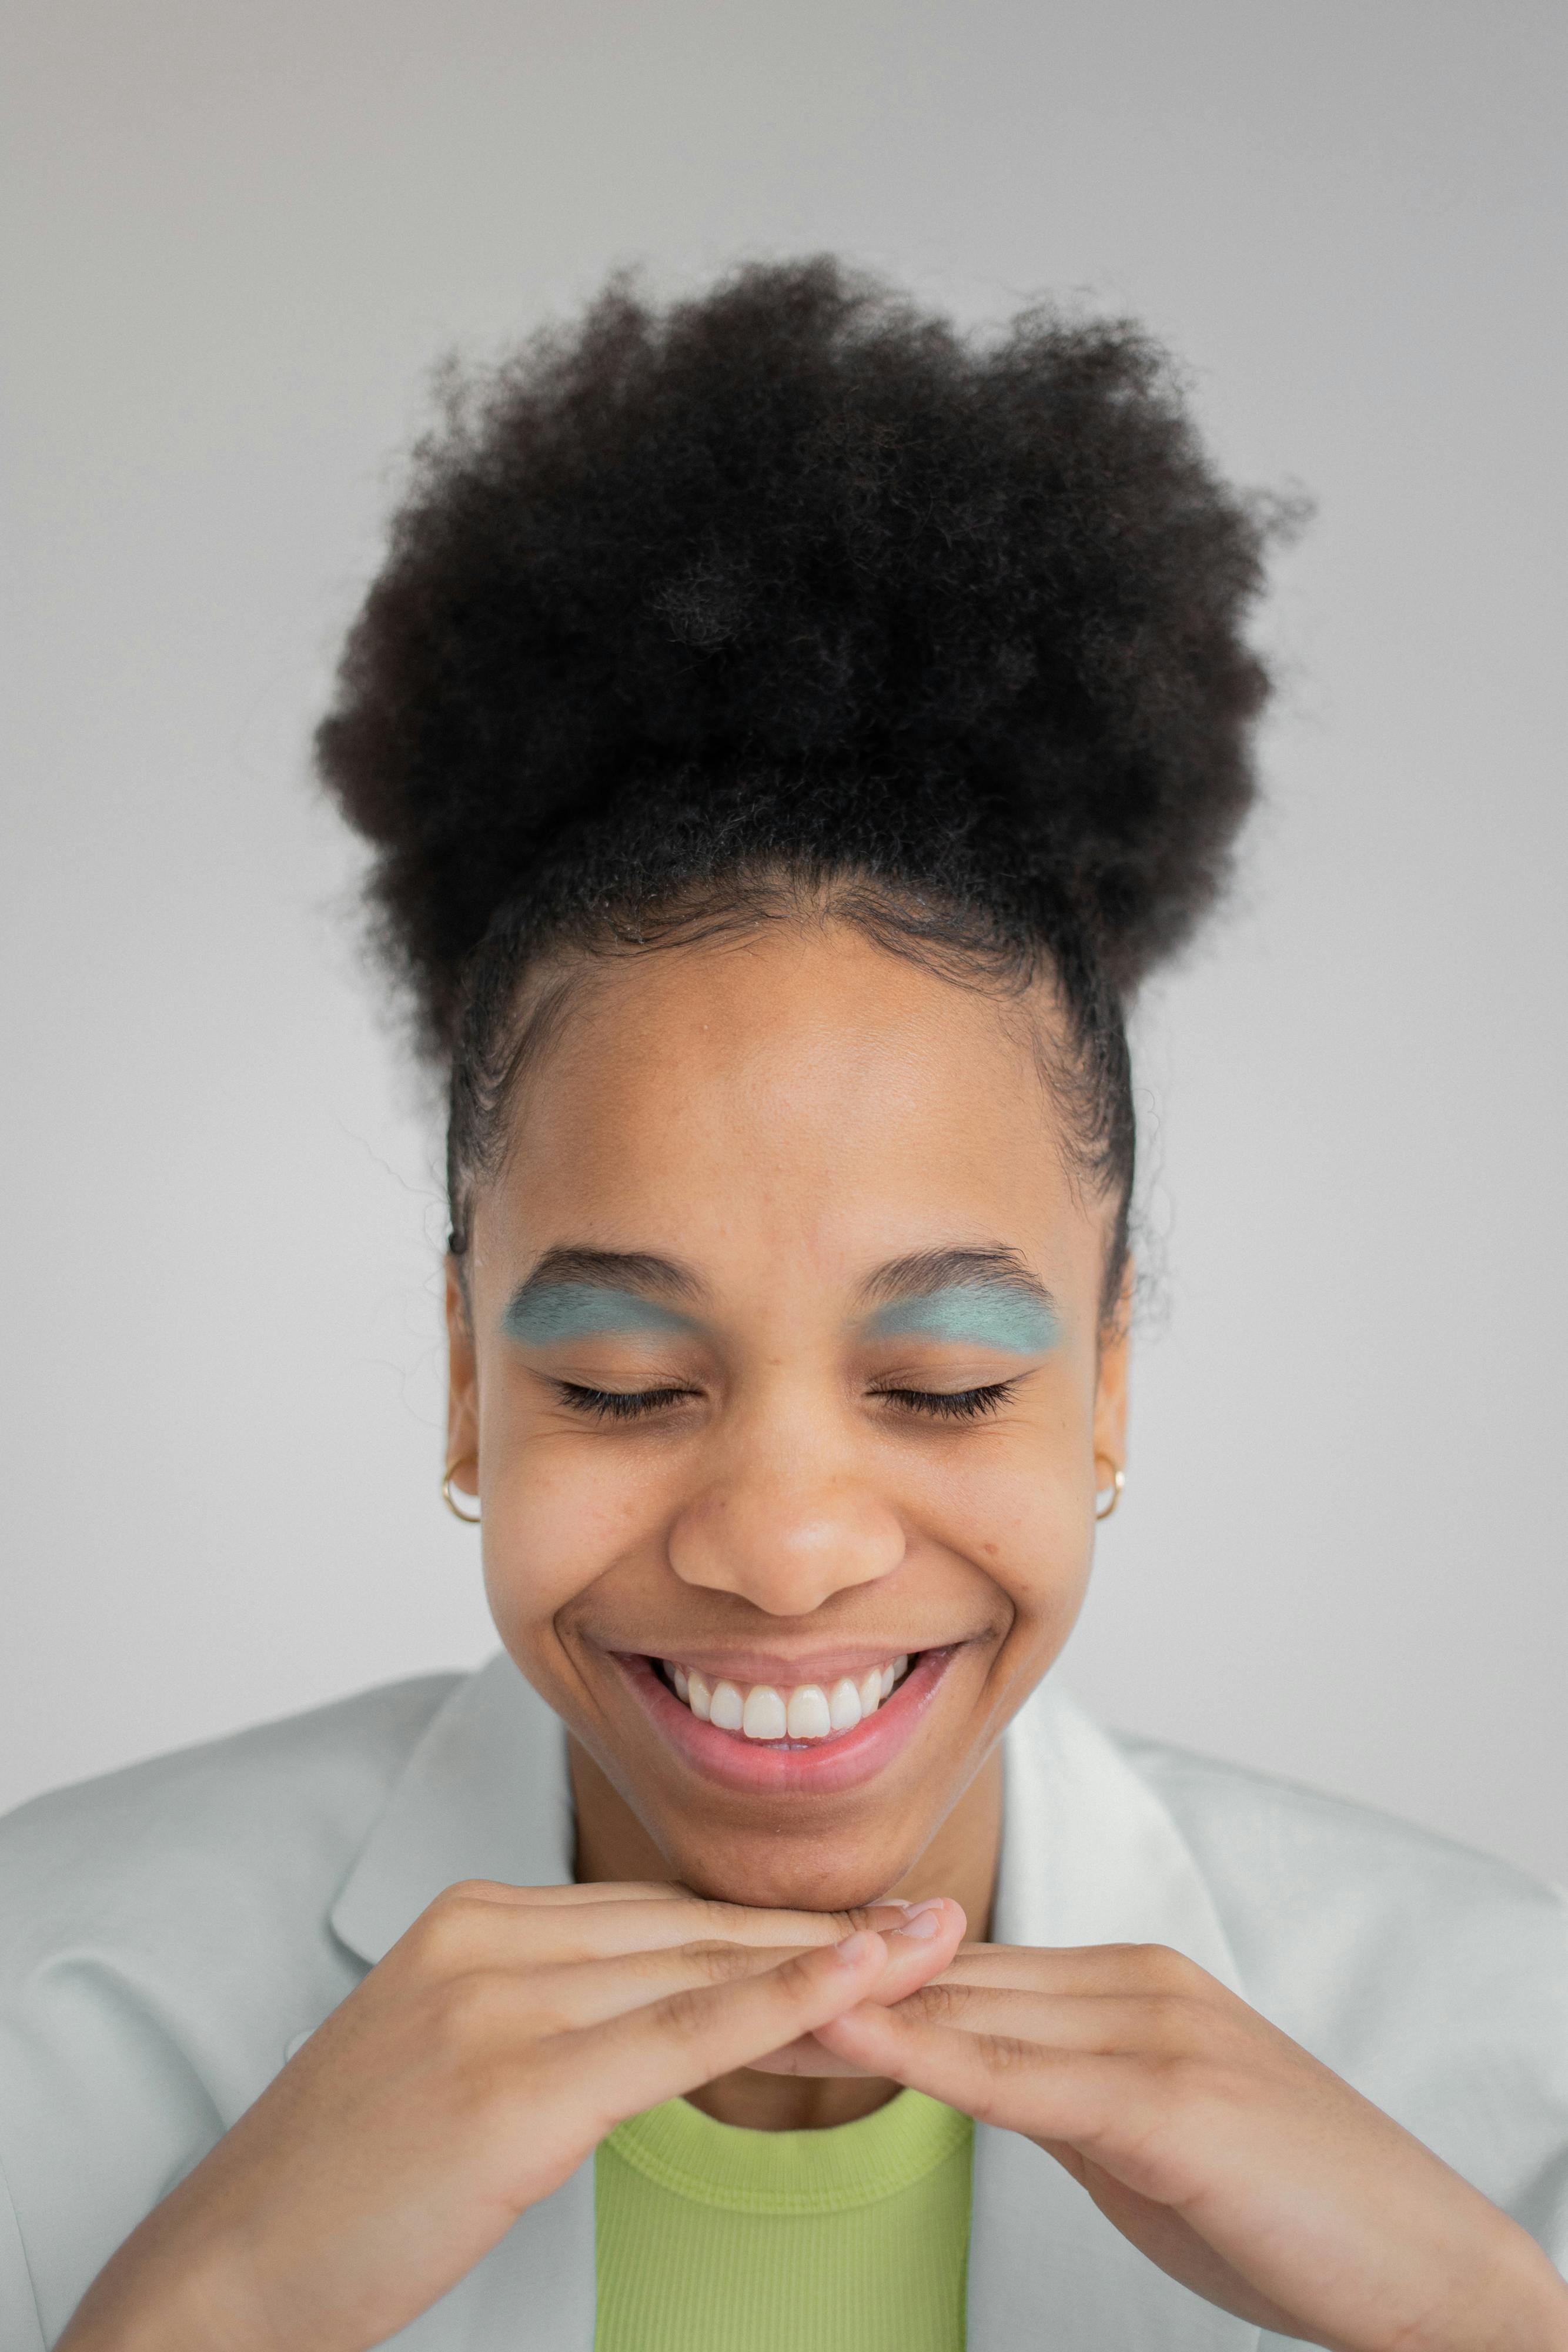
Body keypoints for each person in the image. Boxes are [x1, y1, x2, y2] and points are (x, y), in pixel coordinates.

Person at [2, 258, 1564, 2352]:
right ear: (467, 1383)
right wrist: (197, 2316)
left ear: (1105, 1381)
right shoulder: (46, 2021)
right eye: (622, 1382)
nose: (787, 1547)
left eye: (940, 1383)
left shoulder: (1501, 2077)